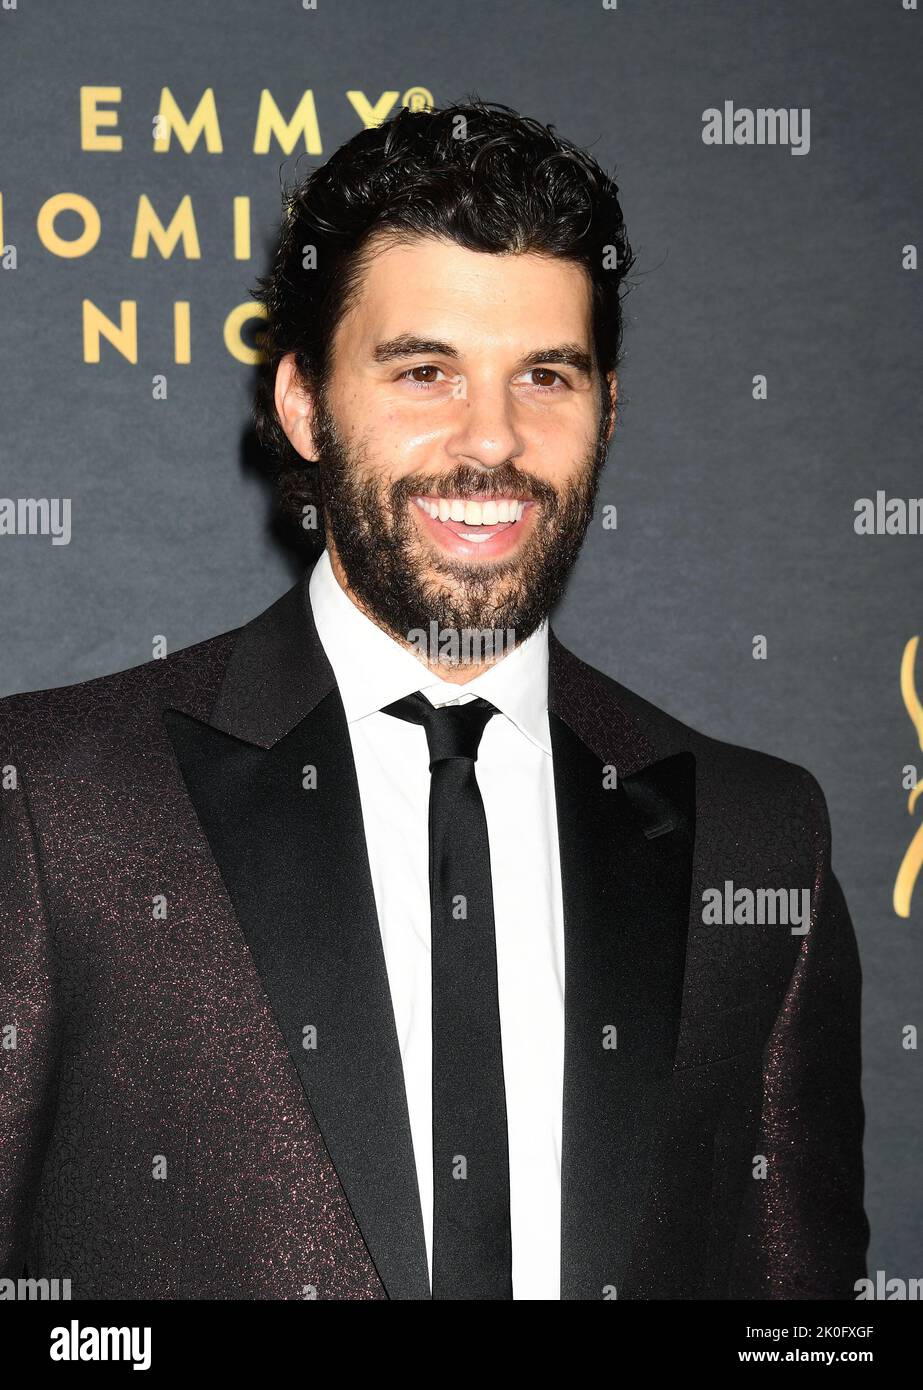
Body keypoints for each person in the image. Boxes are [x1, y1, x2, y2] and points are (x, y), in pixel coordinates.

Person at [0, 100, 868, 1300]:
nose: (490, 442)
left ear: (606, 410)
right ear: (302, 402)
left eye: (544, 377)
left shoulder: (756, 834)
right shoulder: (52, 802)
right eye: (424, 371)